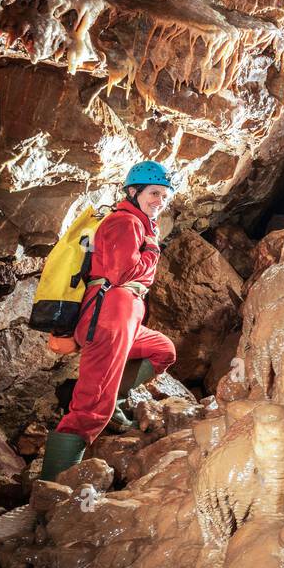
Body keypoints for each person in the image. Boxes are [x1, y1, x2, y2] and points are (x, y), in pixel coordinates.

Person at [39, 161, 178, 480]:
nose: (160, 201)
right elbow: (120, 272)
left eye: (165, 196)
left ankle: (112, 395)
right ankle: (50, 489)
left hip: (126, 317)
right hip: (110, 316)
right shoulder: (126, 221)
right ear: (133, 191)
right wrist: (151, 253)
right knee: (90, 412)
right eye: (154, 193)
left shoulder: (142, 224)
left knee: (163, 351)